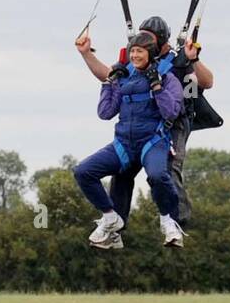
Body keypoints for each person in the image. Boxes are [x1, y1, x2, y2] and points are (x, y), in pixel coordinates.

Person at [75, 15, 214, 228]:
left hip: (173, 121)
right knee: (122, 171)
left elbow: (206, 82)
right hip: (143, 123)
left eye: (149, 39)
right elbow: (111, 78)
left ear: (161, 42)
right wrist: (86, 55)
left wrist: (192, 59)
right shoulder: (135, 59)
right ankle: (117, 224)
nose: (142, 44)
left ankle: (177, 221)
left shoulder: (177, 61)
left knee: (166, 169)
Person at [73, 31, 186, 249]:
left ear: (150, 54)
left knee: (158, 176)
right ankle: (110, 216)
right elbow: (105, 112)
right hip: (123, 143)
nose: (135, 55)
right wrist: (109, 83)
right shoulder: (124, 76)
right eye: (132, 51)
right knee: (83, 171)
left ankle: (169, 222)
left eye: (139, 51)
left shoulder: (167, 78)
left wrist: (157, 87)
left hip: (152, 141)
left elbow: (171, 112)